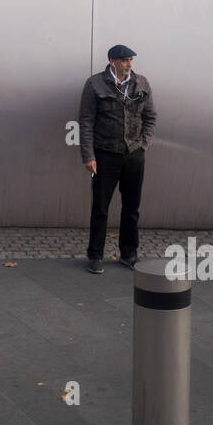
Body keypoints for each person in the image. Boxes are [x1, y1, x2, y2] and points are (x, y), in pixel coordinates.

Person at [78, 44, 157, 273]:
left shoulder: (141, 83)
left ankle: (129, 254)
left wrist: (143, 144)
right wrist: (88, 155)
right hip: (105, 154)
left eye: (130, 60)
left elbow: (150, 117)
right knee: (100, 207)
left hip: (134, 154)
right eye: (124, 60)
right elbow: (86, 121)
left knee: (132, 207)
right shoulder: (95, 84)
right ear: (112, 61)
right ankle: (95, 256)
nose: (129, 64)